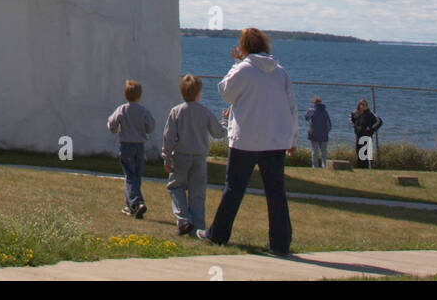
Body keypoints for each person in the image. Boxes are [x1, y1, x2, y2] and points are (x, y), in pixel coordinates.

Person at [200, 27, 298, 257]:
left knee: (234, 189)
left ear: (244, 47)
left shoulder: (243, 69)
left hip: (246, 140)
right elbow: (292, 107)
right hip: (275, 141)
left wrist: (236, 64)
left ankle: (218, 234)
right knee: (276, 192)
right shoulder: (280, 72)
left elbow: (225, 92)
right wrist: (292, 138)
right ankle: (280, 244)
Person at [161, 75, 226, 236]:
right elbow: (218, 133)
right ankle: (197, 228)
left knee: (175, 187)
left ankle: (184, 220)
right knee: (198, 193)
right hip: (199, 158)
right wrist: (225, 120)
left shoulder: (176, 111)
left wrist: (166, 157)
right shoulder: (204, 112)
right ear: (199, 93)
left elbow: (168, 137)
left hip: (181, 156)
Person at [107, 79, 155, 218]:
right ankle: (132, 205)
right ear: (139, 95)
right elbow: (151, 126)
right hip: (140, 146)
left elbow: (112, 123)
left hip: (126, 145)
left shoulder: (122, 109)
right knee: (136, 175)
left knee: (129, 176)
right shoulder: (143, 111)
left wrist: (114, 129)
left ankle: (136, 203)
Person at [351, 98, 382, 168]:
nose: (362, 106)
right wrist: (356, 128)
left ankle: (366, 167)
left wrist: (371, 129)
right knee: (358, 151)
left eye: (364, 105)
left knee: (365, 153)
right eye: (361, 104)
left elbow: (379, 121)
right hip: (359, 135)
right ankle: (359, 167)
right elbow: (352, 120)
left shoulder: (370, 114)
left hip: (366, 136)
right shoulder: (356, 113)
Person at [305, 96, 332, 167]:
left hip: (313, 134)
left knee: (315, 152)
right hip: (324, 134)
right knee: (324, 152)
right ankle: (324, 166)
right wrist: (326, 132)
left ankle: (315, 166)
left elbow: (306, 118)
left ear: (314, 103)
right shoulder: (325, 112)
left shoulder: (312, 111)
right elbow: (329, 125)